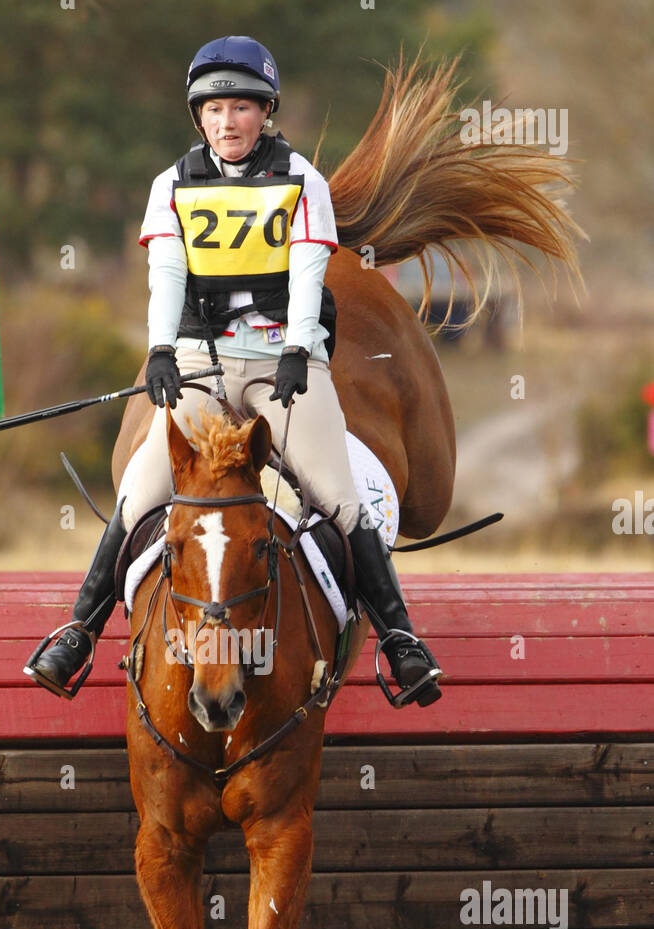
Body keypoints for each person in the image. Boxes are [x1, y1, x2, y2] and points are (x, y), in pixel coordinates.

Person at [29, 35, 442, 708]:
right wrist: (161, 349)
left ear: (266, 112)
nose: (228, 122)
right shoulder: (172, 185)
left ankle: (401, 641)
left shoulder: (302, 181)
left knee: (340, 497)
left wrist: (297, 351)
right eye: (215, 108)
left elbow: (310, 277)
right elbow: (166, 276)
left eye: (242, 108)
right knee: (140, 491)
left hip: (282, 361)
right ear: (200, 117)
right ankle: (78, 630)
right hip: (199, 360)